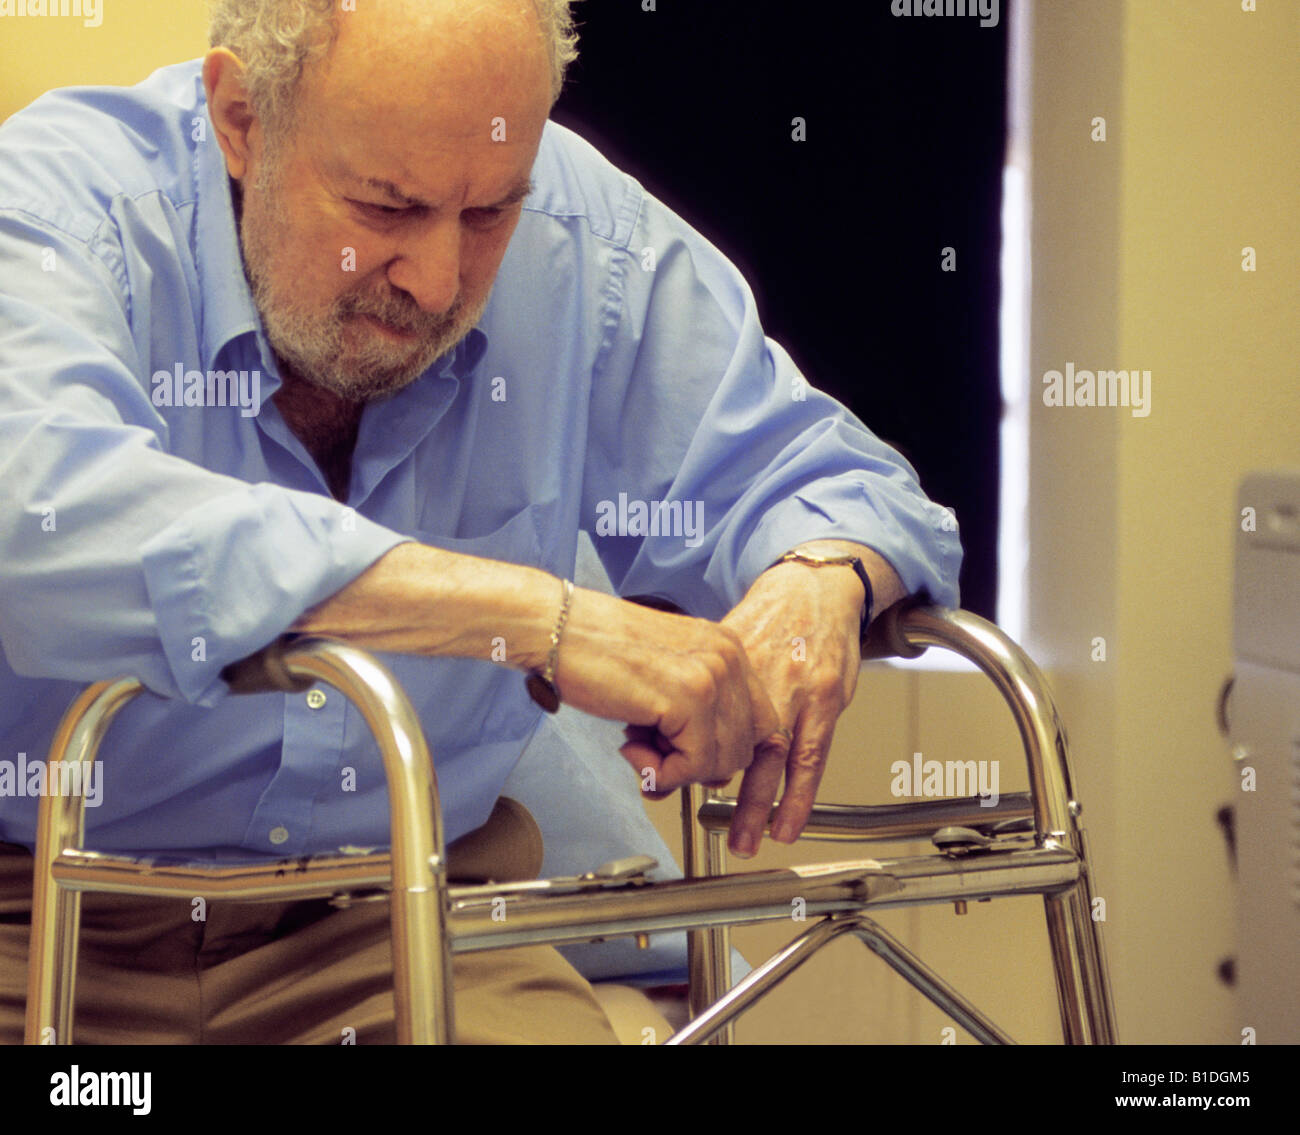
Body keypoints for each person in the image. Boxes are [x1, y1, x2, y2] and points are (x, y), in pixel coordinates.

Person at [0, 0, 961, 1043]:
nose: (440, 281)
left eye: (488, 213)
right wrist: (539, 617)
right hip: (37, 906)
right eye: (385, 208)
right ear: (241, 117)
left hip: (399, 917)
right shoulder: (59, 208)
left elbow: (821, 473)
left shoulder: (577, 229)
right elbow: (38, 518)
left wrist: (817, 578)